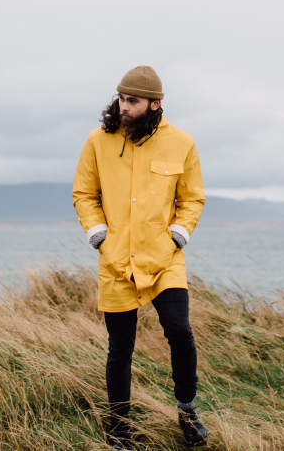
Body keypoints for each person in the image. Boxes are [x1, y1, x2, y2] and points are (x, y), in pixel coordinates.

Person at [72, 65, 209, 449]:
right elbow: (84, 194)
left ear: (155, 104)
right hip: (115, 260)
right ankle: (119, 427)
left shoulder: (182, 143)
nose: (124, 106)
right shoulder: (98, 140)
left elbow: (192, 198)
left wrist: (179, 234)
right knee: (121, 347)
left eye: (132, 101)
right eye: (121, 98)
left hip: (165, 258)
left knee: (179, 331)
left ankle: (188, 413)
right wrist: (98, 233)